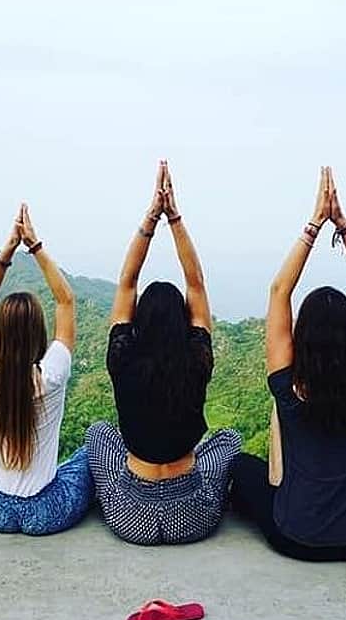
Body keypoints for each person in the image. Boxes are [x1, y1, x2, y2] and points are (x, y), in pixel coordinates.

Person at [230, 167, 346, 560]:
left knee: (241, 467)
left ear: (300, 336)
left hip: (296, 537)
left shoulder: (288, 387)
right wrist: (344, 226)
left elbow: (278, 292)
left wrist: (313, 226)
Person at [86, 161, 241, 546]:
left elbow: (126, 282)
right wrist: (175, 218)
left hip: (129, 516)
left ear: (138, 321)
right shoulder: (196, 359)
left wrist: (151, 218)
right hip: (193, 516)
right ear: (183, 321)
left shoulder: (122, 357)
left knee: (98, 433)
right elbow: (197, 283)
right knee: (228, 440)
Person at [0, 204, 91, 535]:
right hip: (45, 512)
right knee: (87, 452)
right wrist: (35, 246)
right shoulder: (51, 375)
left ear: (0, 336)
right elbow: (65, 301)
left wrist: (7, 250)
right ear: (39, 331)